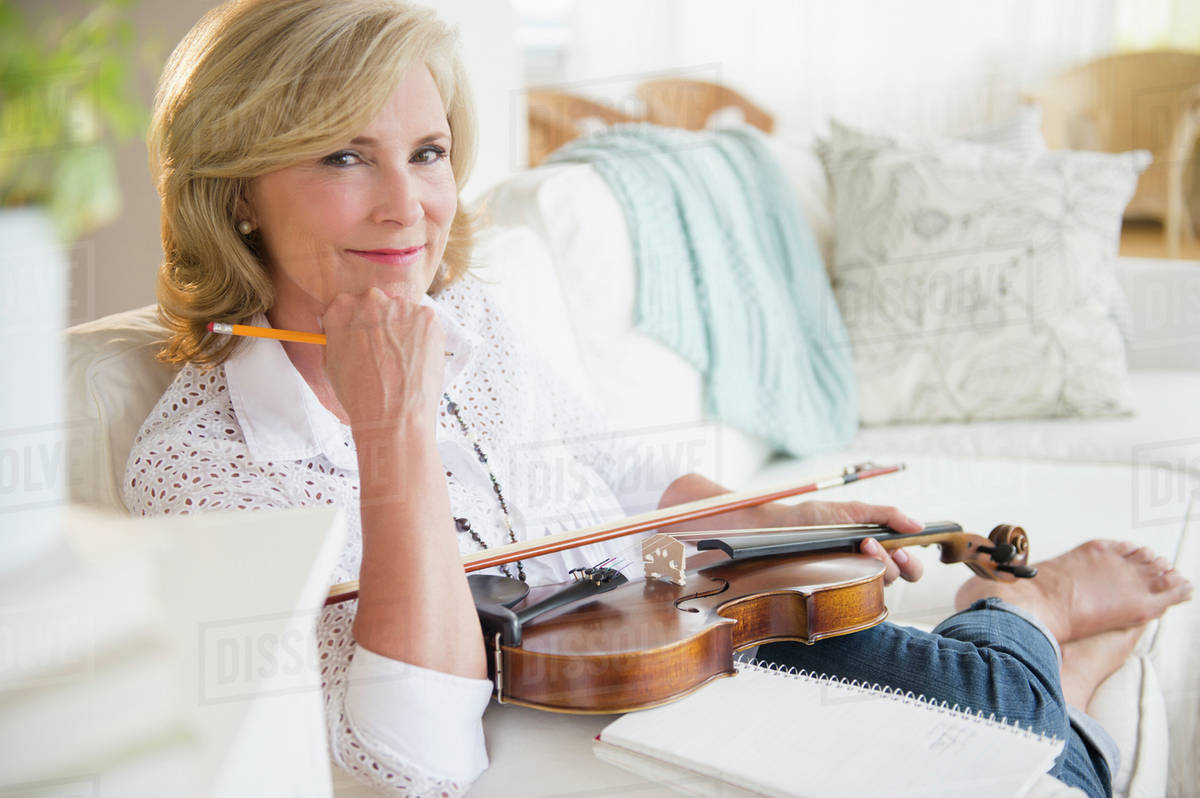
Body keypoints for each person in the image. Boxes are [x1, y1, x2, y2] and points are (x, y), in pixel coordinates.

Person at [125, 1, 1192, 796]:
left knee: (1007, 739)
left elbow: (618, 473)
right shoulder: (200, 464)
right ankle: (1034, 616)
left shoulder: (473, 315)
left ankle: (1049, 675)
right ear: (238, 192)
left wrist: (786, 520)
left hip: (690, 626)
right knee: (1025, 734)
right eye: (344, 156)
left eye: (428, 152)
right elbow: (422, 758)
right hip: (614, 710)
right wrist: (391, 426)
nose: (409, 207)